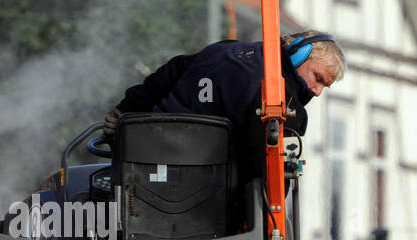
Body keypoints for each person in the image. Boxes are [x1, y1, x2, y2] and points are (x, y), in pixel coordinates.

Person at [104, 31, 345, 181]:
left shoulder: (227, 49)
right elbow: (261, 173)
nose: (317, 91)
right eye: (318, 78)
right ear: (298, 55)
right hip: (206, 192)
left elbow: (173, 70)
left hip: (145, 158)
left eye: (325, 86)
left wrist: (124, 111)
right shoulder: (278, 100)